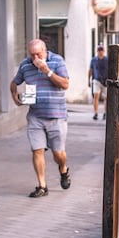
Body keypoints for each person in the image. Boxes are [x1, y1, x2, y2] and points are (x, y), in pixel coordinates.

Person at [10, 38, 71, 195]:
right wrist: (15, 96)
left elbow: (65, 84)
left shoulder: (57, 61)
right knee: (37, 150)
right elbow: (14, 83)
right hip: (35, 116)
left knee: (58, 154)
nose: (35, 58)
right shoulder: (25, 65)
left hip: (56, 116)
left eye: (38, 54)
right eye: (32, 55)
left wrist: (47, 71)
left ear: (45, 50)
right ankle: (42, 186)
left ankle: (63, 169)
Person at [88, 44, 107, 121]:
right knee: (96, 96)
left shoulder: (107, 60)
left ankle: (105, 112)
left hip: (105, 81)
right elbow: (90, 70)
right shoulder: (94, 60)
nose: (100, 52)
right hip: (96, 80)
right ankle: (95, 113)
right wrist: (89, 80)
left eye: (101, 50)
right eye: (99, 50)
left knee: (106, 97)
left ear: (104, 51)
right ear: (97, 51)